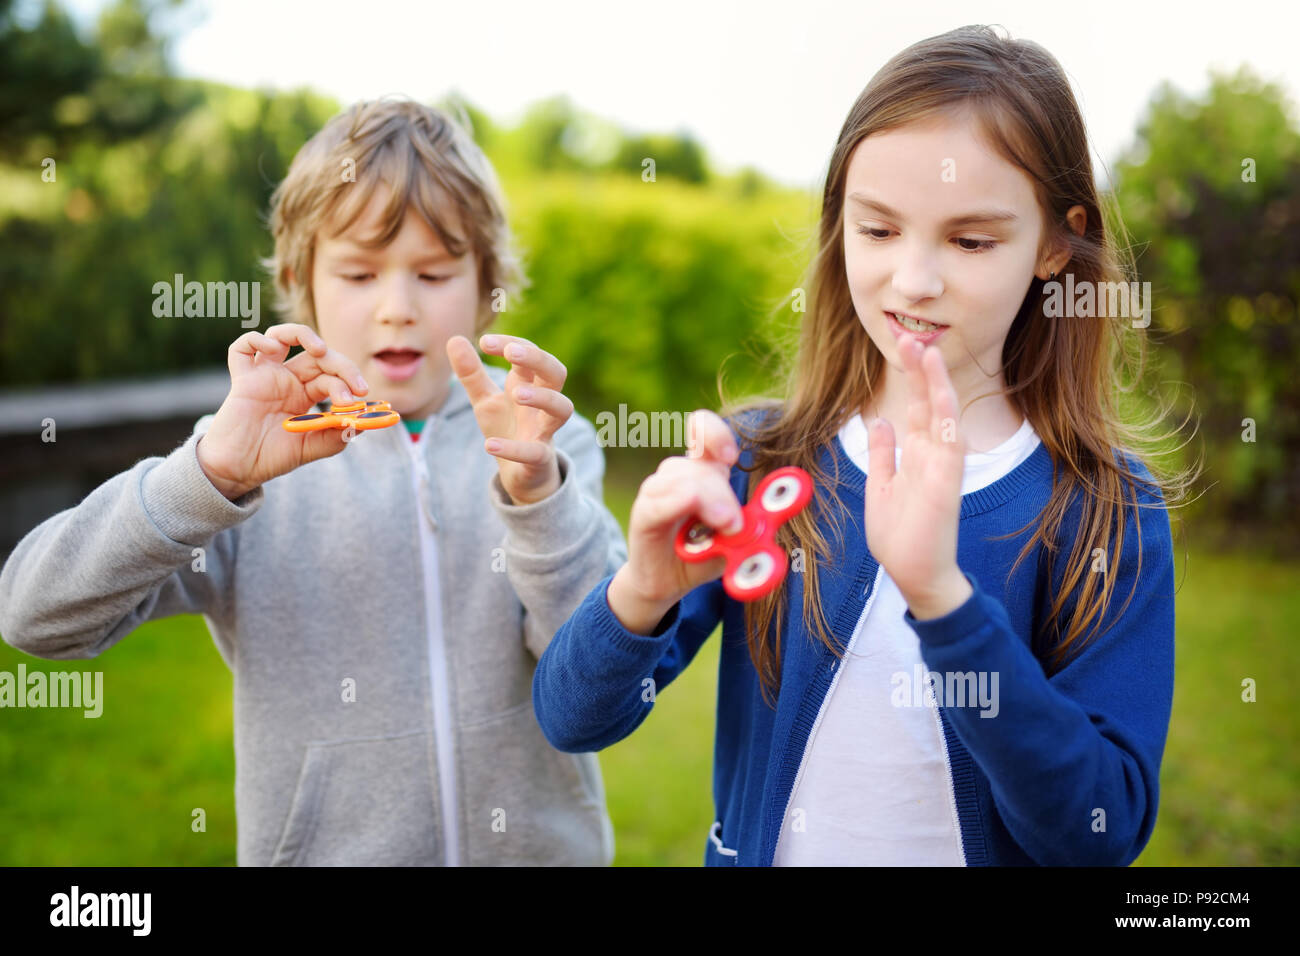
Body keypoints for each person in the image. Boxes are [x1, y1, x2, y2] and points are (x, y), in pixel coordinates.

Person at [532, 25, 1191, 866]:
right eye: (878, 231)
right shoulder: (760, 463)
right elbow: (570, 719)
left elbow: (1096, 832)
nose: (913, 280)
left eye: (970, 241)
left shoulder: (1107, 511)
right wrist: (642, 590)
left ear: (1057, 245)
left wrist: (943, 601)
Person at [0, 98, 627, 866]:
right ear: (304, 281)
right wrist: (208, 475)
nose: (398, 309)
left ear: (487, 281)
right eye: (360, 272)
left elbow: (601, 679)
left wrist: (539, 502)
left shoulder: (547, 447)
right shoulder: (246, 462)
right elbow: (35, 616)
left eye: (433, 272)